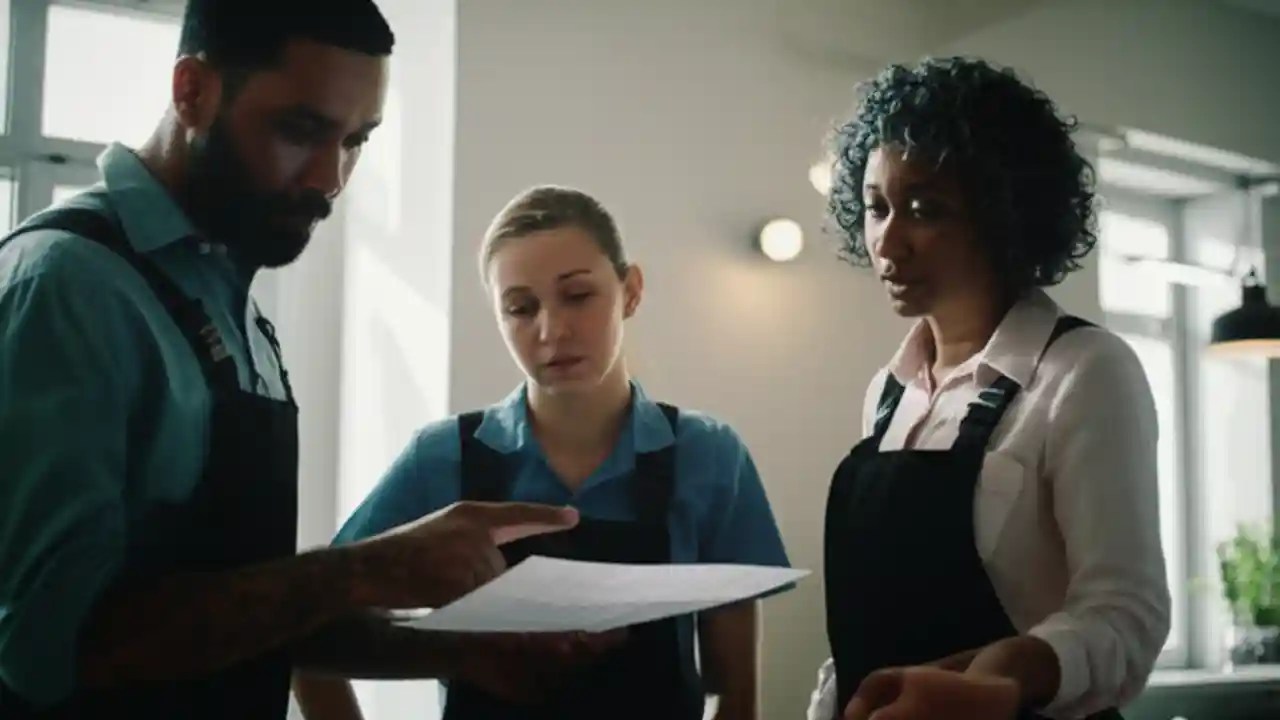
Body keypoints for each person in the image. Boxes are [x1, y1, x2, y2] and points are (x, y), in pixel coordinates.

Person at [0, 3, 605, 718]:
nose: (331, 178)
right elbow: (48, 645)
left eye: (356, 141)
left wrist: (453, 653)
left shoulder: (231, 301)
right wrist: (366, 569)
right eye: (300, 130)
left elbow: (245, 616)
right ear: (192, 91)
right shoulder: (69, 285)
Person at [293, 185, 792, 720]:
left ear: (631, 291)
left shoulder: (709, 455)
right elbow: (304, 621)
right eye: (521, 308)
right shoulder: (441, 458)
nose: (552, 330)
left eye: (577, 296)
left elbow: (735, 694)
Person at [810, 57, 1171, 720]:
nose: (888, 241)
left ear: (1003, 214)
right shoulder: (887, 395)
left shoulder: (1085, 371)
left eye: (924, 209)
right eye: (876, 207)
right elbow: (869, 629)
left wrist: (1004, 676)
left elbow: (1127, 617)